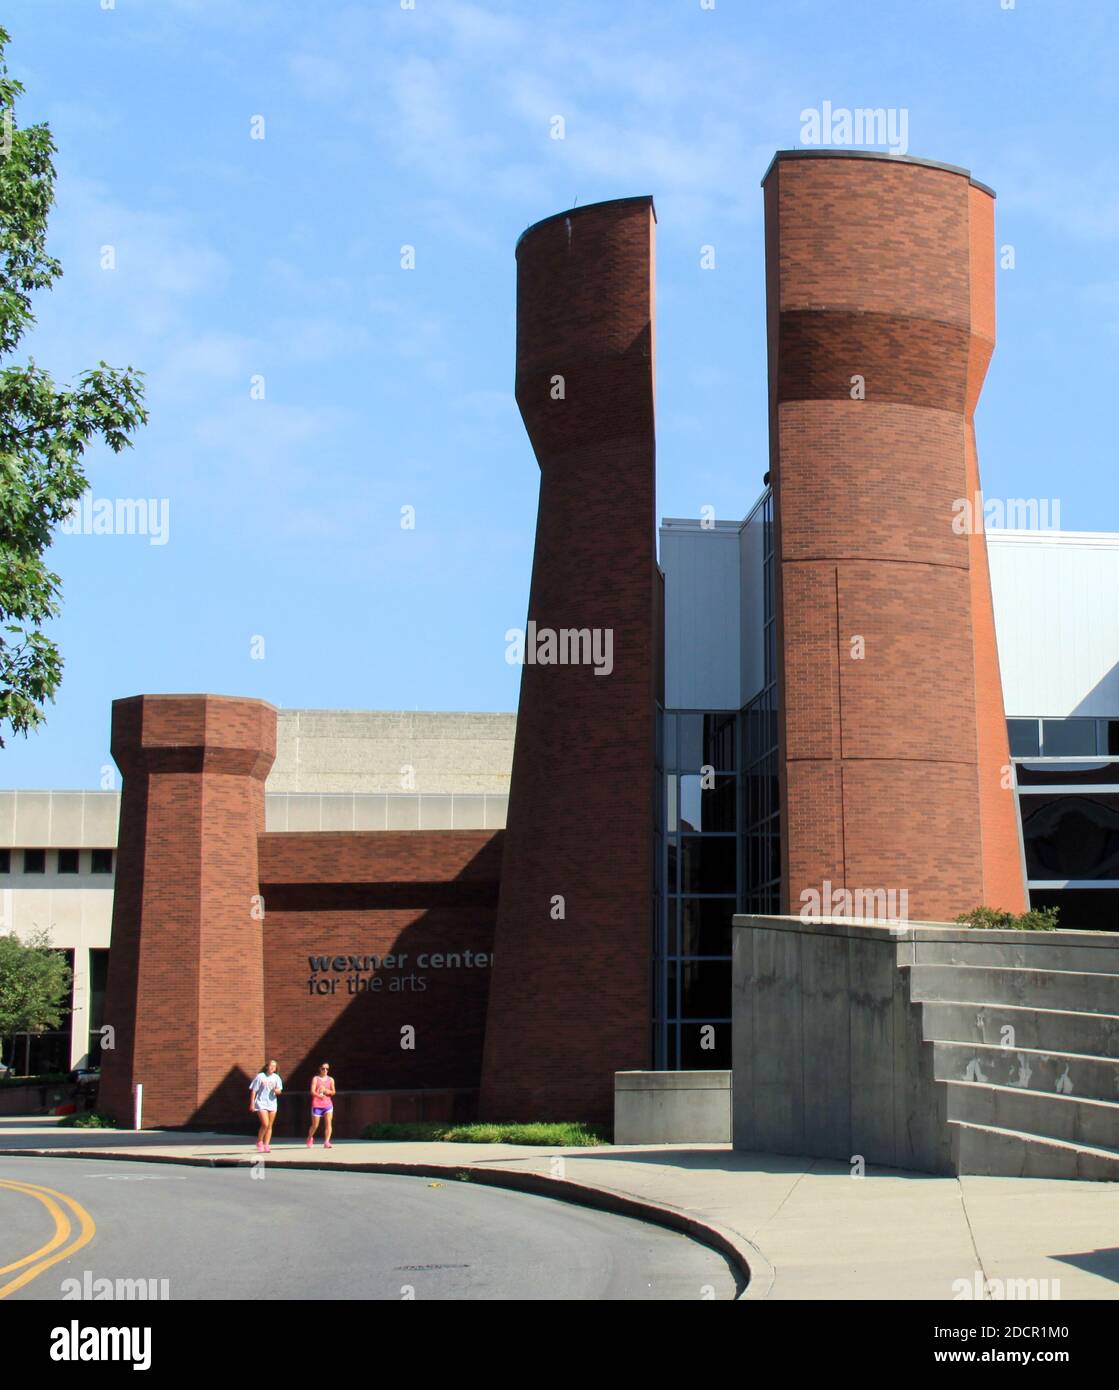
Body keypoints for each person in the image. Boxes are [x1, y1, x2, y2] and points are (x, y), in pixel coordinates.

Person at [249, 1059, 283, 1152]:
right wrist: (252, 1103)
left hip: (272, 1103)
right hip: (261, 1103)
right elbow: (254, 1090)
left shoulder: (276, 1077)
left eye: (274, 1066)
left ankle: (266, 1145)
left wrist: (277, 1091)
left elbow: (280, 1090)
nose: (272, 1068)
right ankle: (259, 1141)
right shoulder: (260, 1076)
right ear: (267, 1067)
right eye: (271, 1066)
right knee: (265, 1123)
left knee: (270, 1126)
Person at [307, 1062, 336, 1149]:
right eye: (323, 1068)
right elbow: (312, 1091)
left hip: (328, 1104)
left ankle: (327, 1142)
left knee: (328, 1123)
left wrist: (328, 1091)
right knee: (315, 1125)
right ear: (320, 1069)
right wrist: (318, 1095)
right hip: (317, 1105)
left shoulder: (331, 1079)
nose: (325, 1070)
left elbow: (333, 1091)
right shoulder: (316, 1079)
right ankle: (310, 1137)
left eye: (327, 1069)